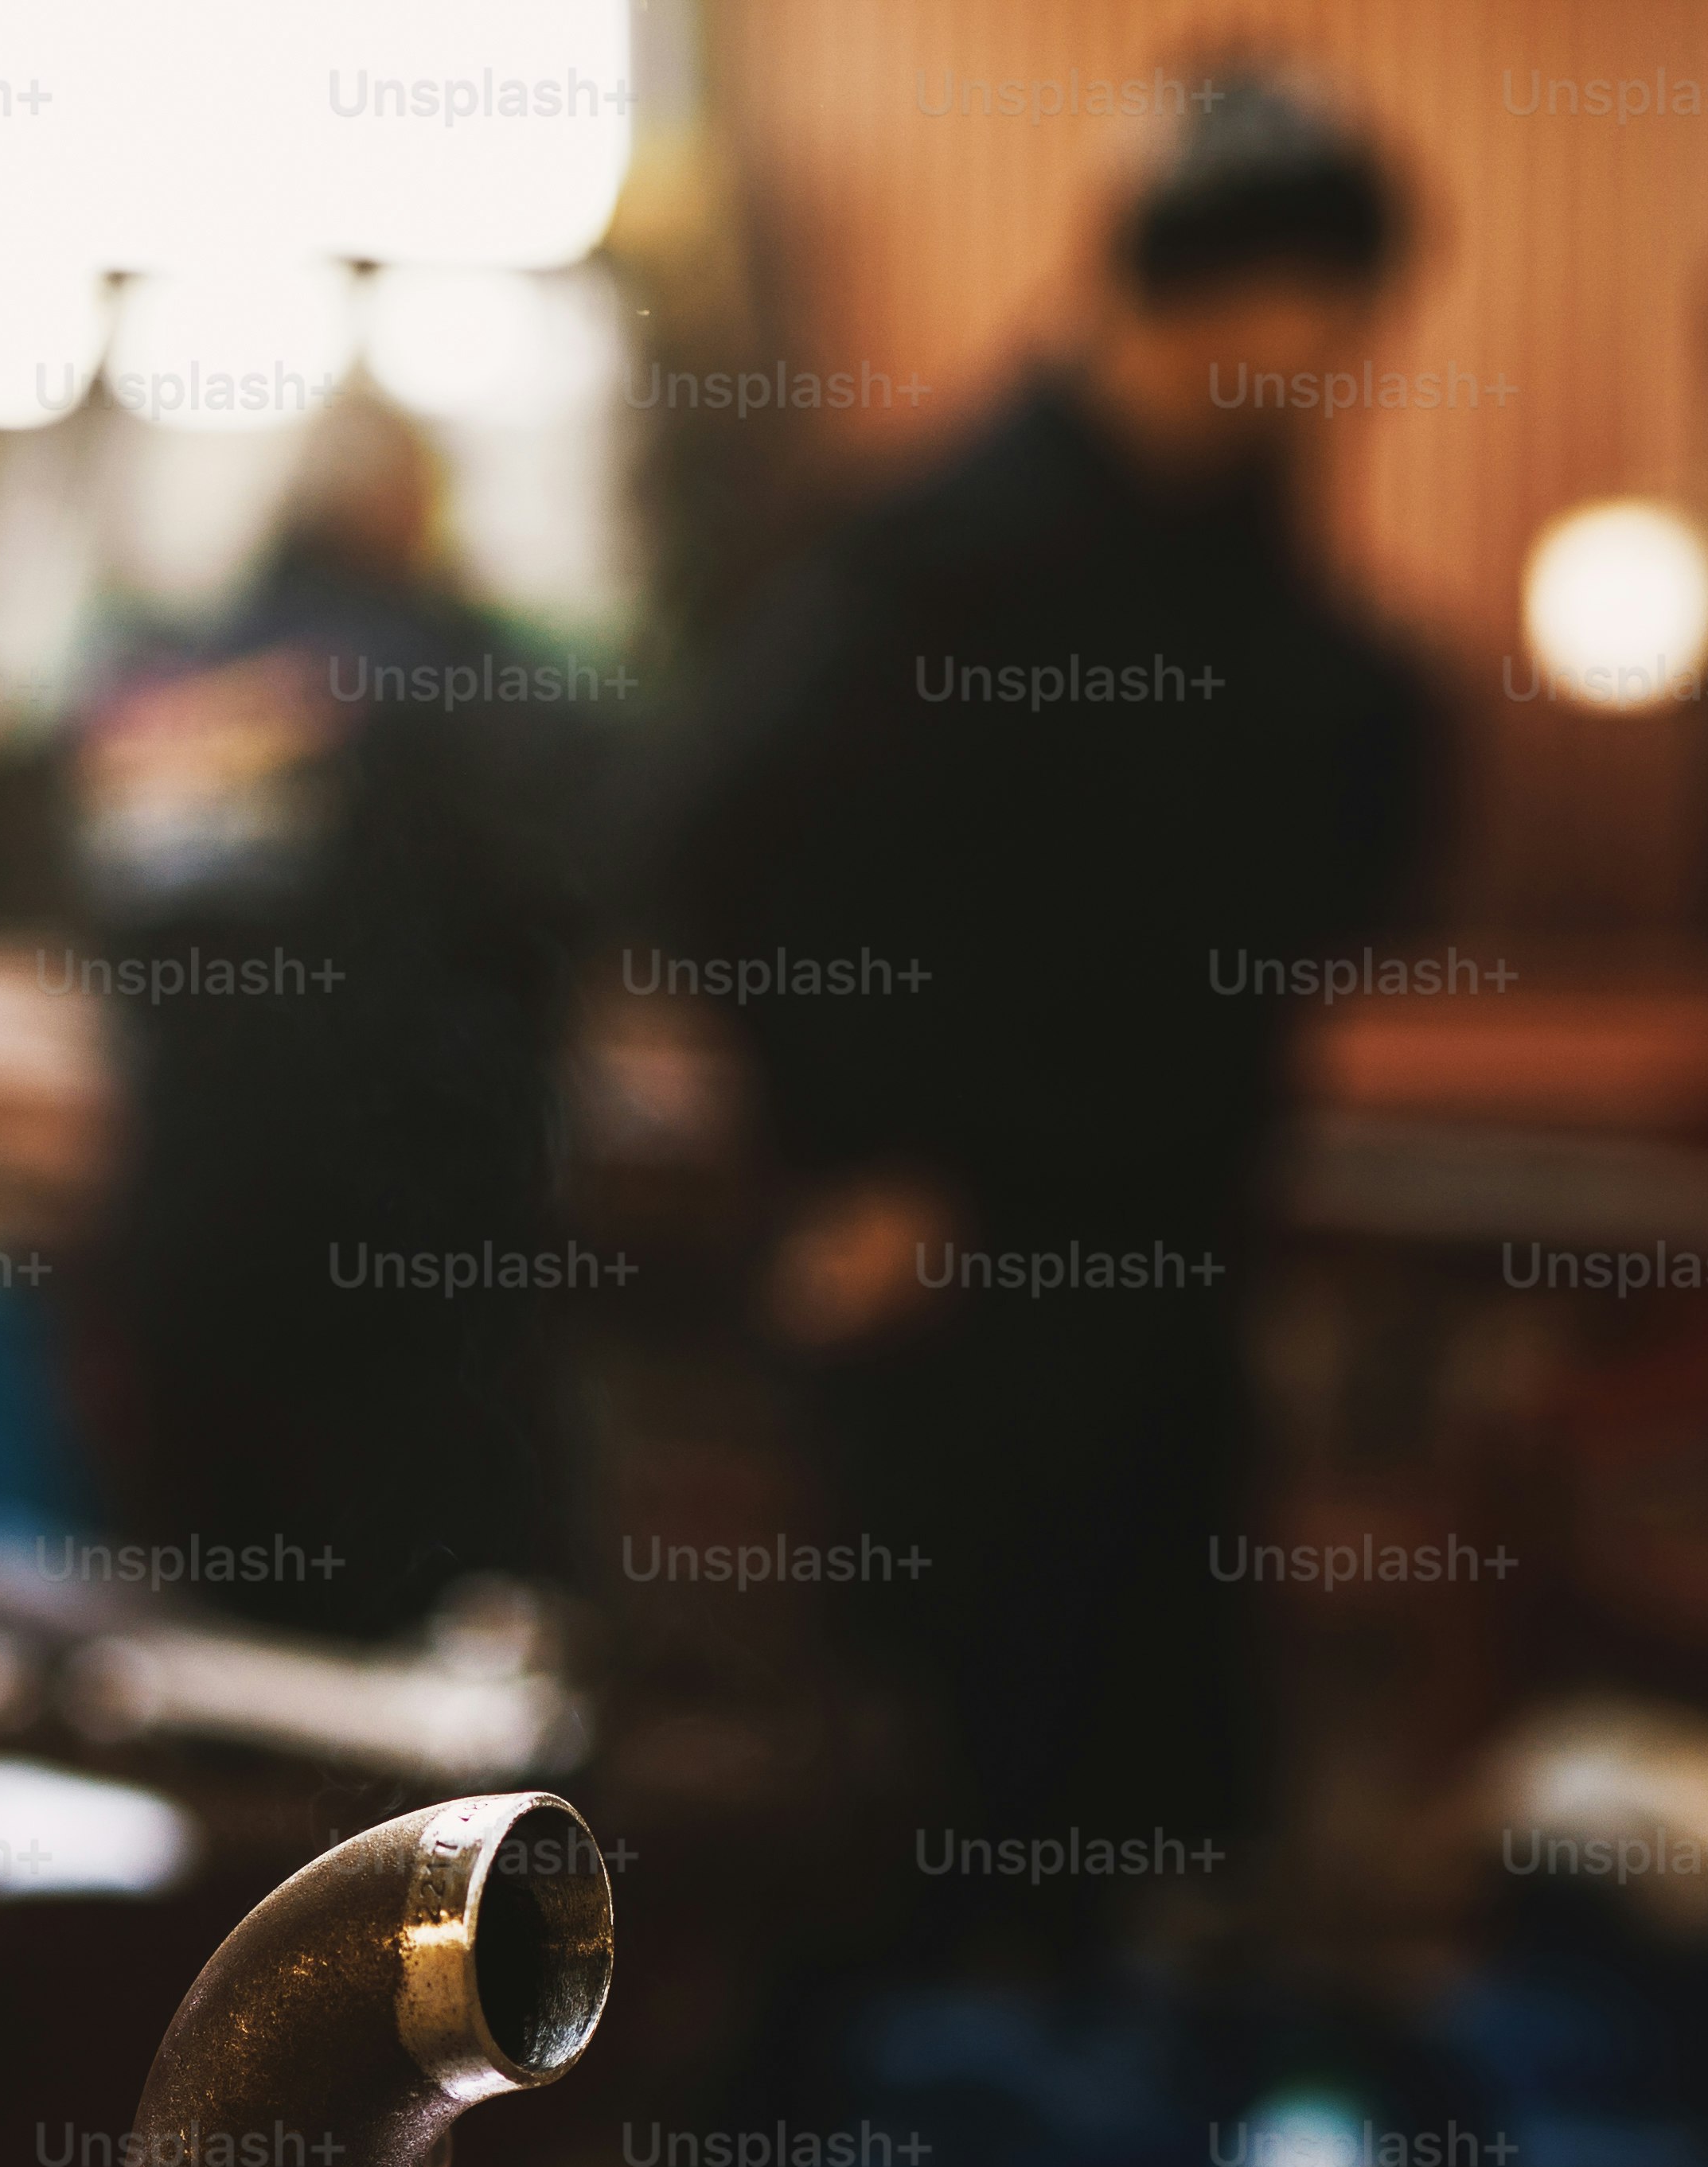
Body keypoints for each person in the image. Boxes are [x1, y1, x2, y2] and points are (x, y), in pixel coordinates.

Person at [657, 64, 1437, 1920]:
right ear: (1237, 300)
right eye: (1331, 319)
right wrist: (853, 1160)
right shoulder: (940, 561)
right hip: (953, 1301)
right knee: (946, 1834)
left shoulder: (1253, 574)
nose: (1348, 367)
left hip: (1162, 1277)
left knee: (1158, 1821)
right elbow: (710, 854)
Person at [61, 394, 609, 1641]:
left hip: (192, 1256)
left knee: (223, 1653)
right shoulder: (468, 684)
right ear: (412, 509)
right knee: (434, 1664)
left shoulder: (160, 692)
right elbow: (595, 876)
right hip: (419, 1275)